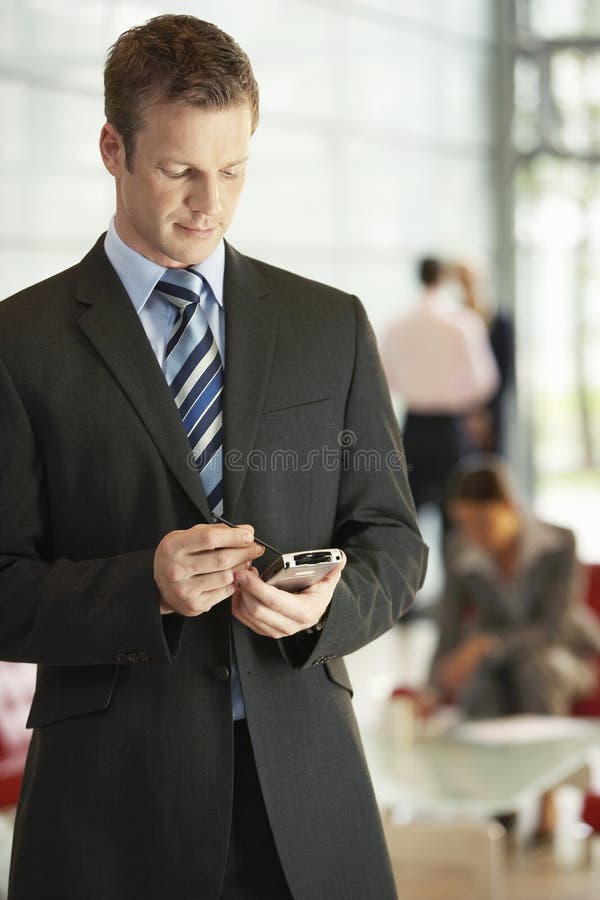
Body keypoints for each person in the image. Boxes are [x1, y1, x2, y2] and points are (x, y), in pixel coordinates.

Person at [0, 14, 427, 900]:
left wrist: (327, 604)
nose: (211, 204)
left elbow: (393, 540)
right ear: (113, 149)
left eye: (233, 170)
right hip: (108, 808)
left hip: (307, 794)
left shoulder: (329, 325)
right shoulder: (19, 343)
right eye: (179, 170)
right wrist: (142, 588)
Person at [422, 455, 599, 720]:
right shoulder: (460, 549)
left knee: (536, 670)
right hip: (497, 662)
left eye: (483, 524)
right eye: (464, 524)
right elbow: (450, 625)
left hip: (561, 651)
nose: (474, 536)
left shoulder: (559, 543)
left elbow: (553, 627)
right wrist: (431, 690)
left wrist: (489, 645)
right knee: (479, 686)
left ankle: (544, 745)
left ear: (511, 507)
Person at [381, 256, 499, 527]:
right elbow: (484, 381)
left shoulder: (397, 324)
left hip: (413, 428)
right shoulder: (462, 322)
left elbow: (385, 379)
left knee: (407, 517)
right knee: (457, 517)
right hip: (451, 430)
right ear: (445, 279)